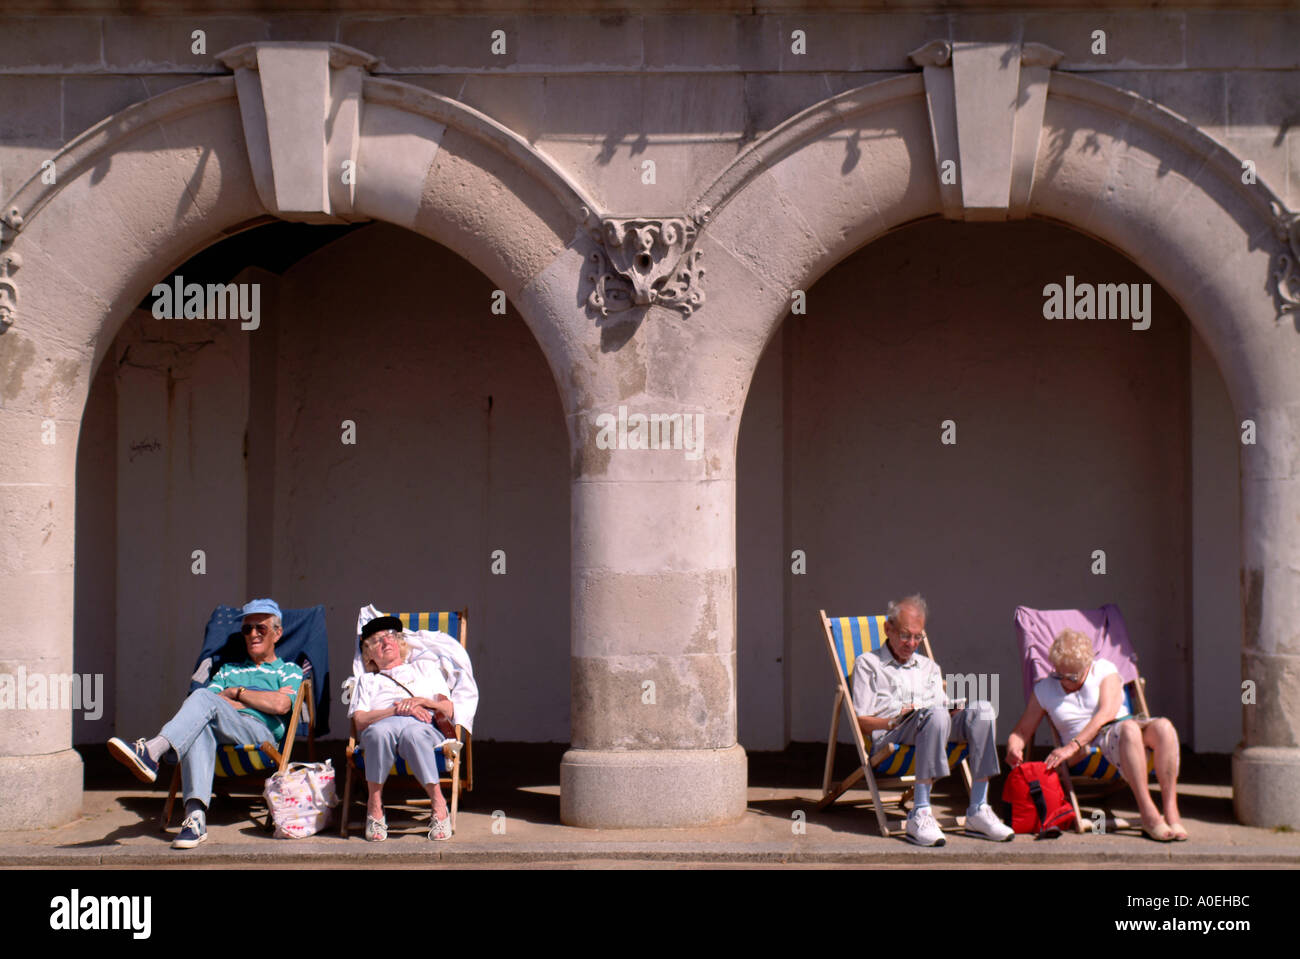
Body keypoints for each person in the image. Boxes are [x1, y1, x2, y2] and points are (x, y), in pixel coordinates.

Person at [107, 599, 303, 849]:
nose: (253, 634)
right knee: (199, 723)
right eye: (247, 629)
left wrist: (237, 693)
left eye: (261, 628)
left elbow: (280, 706)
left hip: (258, 736)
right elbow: (209, 704)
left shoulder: (289, 670)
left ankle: (153, 751)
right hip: (220, 732)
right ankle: (195, 819)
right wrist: (254, 700)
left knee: (201, 699)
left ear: (277, 633)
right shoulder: (227, 669)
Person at [851, 594, 1014, 846]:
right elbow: (861, 721)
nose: (912, 643)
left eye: (918, 637)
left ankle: (979, 809)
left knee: (982, 710)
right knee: (934, 714)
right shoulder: (867, 664)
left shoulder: (929, 667)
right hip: (892, 737)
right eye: (905, 635)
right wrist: (895, 720)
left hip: (932, 728)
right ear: (888, 629)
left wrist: (954, 712)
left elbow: (939, 710)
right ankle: (921, 812)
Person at [1004, 628, 1187, 841]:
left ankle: (1171, 810)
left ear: (1087, 665)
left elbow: (1107, 712)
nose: (1065, 681)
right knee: (1129, 730)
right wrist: (1013, 746)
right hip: (1090, 751)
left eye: (1072, 676)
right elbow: (1021, 732)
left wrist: (1072, 745)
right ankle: (1149, 814)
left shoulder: (1103, 670)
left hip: (1117, 731)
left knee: (1163, 727)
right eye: (1059, 674)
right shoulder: (1045, 689)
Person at [350, 615, 455, 842]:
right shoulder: (366, 681)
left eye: (389, 637)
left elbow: (447, 709)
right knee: (378, 733)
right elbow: (360, 721)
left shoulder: (424, 668)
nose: (385, 642)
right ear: (369, 653)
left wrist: (421, 702)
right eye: (377, 641)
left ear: (399, 643)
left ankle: (438, 803)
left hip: (422, 727)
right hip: (380, 727)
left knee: (412, 734)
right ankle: (374, 805)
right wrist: (395, 711)